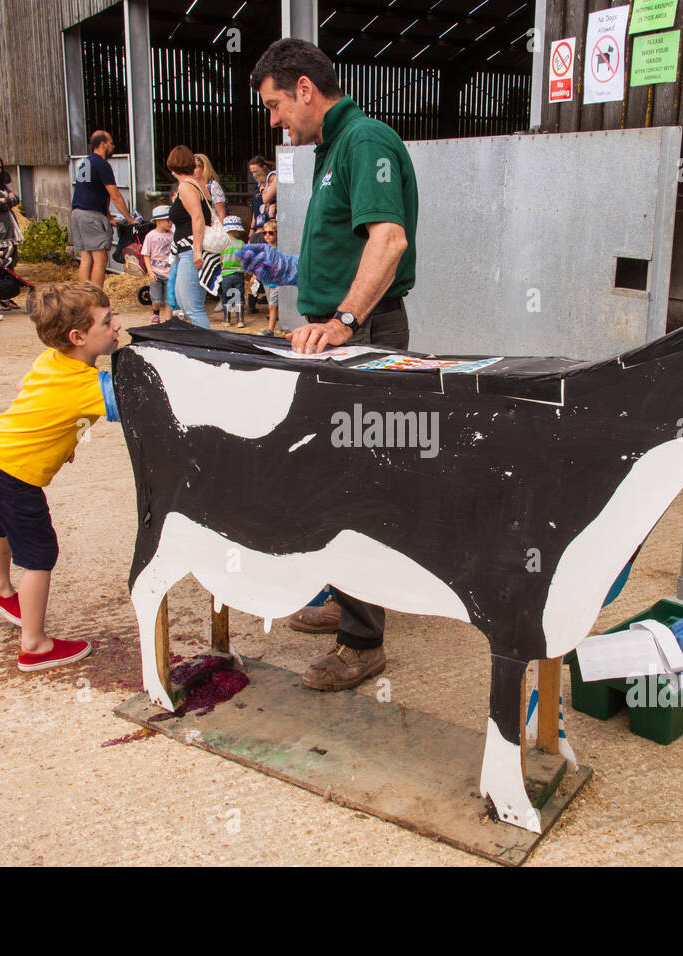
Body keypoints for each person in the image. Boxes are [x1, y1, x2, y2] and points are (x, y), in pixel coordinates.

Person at [245, 38, 419, 691]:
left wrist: (343, 321)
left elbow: (388, 240)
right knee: (330, 474)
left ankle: (363, 642)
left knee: (356, 485)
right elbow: (340, 256)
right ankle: (351, 597)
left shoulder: (364, 141)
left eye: (274, 104)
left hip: (363, 335)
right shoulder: (330, 153)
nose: (273, 120)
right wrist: (289, 273)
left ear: (305, 89)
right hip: (336, 334)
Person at [0, 282, 121, 672]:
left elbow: (26, 389)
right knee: (40, 555)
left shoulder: (53, 359)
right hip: (16, 472)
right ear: (78, 336)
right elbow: (134, 403)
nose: (117, 326)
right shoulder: (88, 385)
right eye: (108, 321)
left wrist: (66, 435)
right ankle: (35, 645)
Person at [71, 130, 138, 289]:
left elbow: (93, 191)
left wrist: (108, 216)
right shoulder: (102, 164)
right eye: (111, 143)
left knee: (86, 258)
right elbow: (114, 194)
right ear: (103, 144)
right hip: (91, 216)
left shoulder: (86, 162)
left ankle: (83, 300)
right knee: (100, 259)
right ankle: (97, 302)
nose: (113, 147)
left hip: (77, 213)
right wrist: (129, 219)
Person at [165, 144, 214, 330]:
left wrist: (196, 252)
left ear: (172, 166)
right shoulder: (197, 185)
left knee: (193, 308)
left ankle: (208, 349)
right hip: (187, 250)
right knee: (184, 303)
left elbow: (198, 218)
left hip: (190, 250)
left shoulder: (186, 186)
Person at [141, 205, 176, 323]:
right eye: (167, 220)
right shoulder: (151, 236)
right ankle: (155, 312)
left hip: (169, 273)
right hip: (156, 272)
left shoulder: (172, 235)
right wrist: (150, 272)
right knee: (156, 298)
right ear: (158, 221)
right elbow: (146, 255)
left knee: (169, 298)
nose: (170, 222)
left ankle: (168, 320)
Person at [217, 215, 246, 328]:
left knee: (226, 296)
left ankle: (227, 320)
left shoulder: (222, 244)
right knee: (239, 296)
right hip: (239, 273)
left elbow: (219, 260)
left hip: (226, 274)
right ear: (235, 230)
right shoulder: (241, 244)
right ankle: (240, 320)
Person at [258, 219, 280, 337]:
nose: (267, 235)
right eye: (264, 233)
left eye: (270, 233)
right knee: (271, 306)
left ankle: (270, 329)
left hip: (277, 283)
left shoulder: (280, 250)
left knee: (272, 306)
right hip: (267, 282)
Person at [194, 153, 229, 222]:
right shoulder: (192, 186)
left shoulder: (213, 186)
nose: (192, 170)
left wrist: (220, 231)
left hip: (213, 227)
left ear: (204, 168)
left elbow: (222, 215)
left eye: (195, 167)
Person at [249, 155, 277, 228]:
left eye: (256, 171)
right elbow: (255, 209)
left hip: (269, 226)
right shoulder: (258, 186)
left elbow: (266, 200)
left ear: (264, 168)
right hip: (258, 225)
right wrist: (252, 229)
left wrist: (265, 187)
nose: (254, 175)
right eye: (252, 172)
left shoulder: (272, 179)